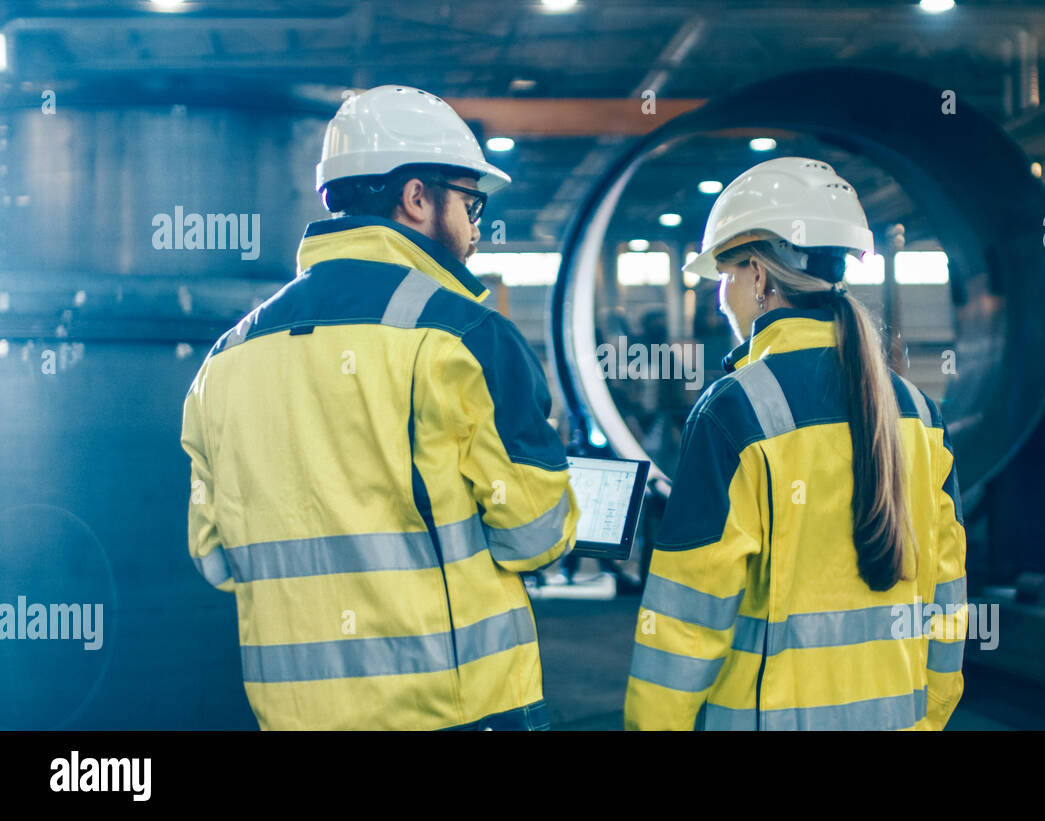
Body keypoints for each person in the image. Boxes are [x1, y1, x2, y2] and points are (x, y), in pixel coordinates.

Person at [181, 85, 578, 730]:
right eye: (470, 202)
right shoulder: (465, 337)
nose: (476, 227)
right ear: (417, 197)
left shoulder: (225, 360)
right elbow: (534, 537)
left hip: (294, 716)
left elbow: (214, 558)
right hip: (457, 710)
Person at [624, 157, 966, 730]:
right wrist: (927, 719)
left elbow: (685, 620)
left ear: (759, 276)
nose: (722, 297)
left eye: (725, 276)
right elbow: (947, 597)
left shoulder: (734, 412)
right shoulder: (920, 414)